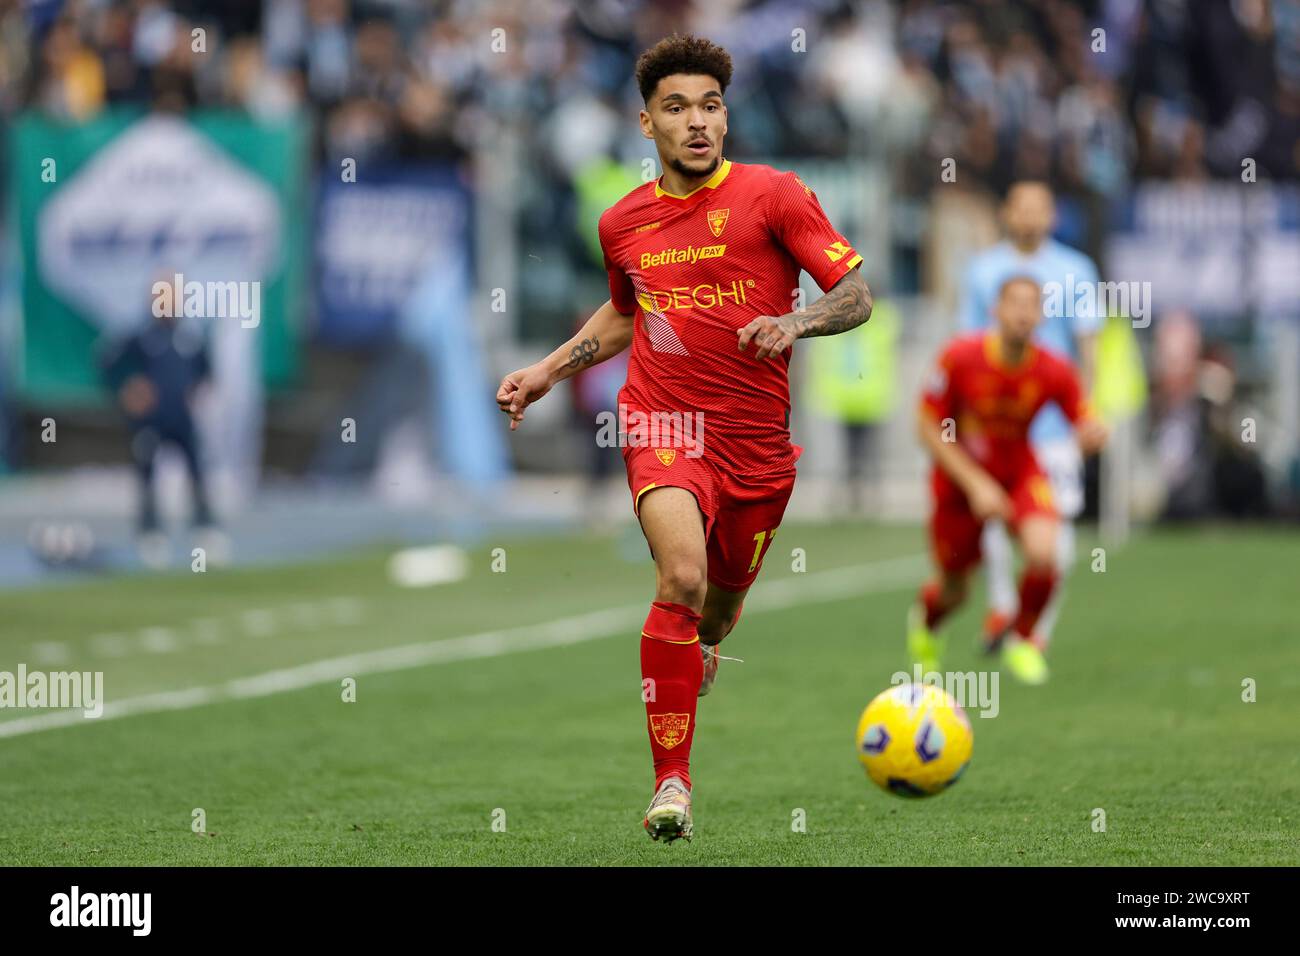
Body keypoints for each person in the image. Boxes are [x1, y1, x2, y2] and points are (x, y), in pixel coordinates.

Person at [495, 35, 872, 843]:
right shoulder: (622, 223)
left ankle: (699, 645)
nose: (696, 122)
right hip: (663, 423)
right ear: (646, 123)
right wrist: (545, 372)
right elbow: (626, 313)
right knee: (681, 574)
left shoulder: (776, 195)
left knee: (719, 610)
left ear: (726, 117)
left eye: (709, 106)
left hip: (758, 448)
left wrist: (796, 320)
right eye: (676, 108)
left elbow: (857, 296)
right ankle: (673, 784)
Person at [909, 276, 1106, 685]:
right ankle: (926, 628)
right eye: (1014, 303)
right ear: (994, 310)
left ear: (1042, 315)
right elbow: (927, 427)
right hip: (960, 478)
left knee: (1044, 552)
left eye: (1031, 304)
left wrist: (1091, 432)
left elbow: (1083, 418)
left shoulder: (1054, 368)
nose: (1022, 312)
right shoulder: (959, 357)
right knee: (954, 590)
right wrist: (976, 483)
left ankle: (1022, 640)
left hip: (1019, 469)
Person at [958, 181, 1100, 652]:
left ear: (1053, 216)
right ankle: (1003, 607)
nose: (1031, 217)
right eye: (1022, 208)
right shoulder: (983, 271)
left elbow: (1088, 343)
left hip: (1055, 425)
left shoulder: (1077, 270)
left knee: (1052, 526)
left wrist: (1090, 409)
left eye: (1040, 208)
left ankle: (1036, 629)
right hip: (998, 424)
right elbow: (970, 347)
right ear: (1006, 213)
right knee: (997, 515)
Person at [101, 307, 217, 566]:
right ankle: (150, 533)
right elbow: (110, 364)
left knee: (197, 471)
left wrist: (197, 392)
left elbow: (206, 370)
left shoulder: (190, 337)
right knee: (147, 476)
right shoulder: (141, 337)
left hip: (182, 420)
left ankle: (205, 530)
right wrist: (127, 390)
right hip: (151, 421)